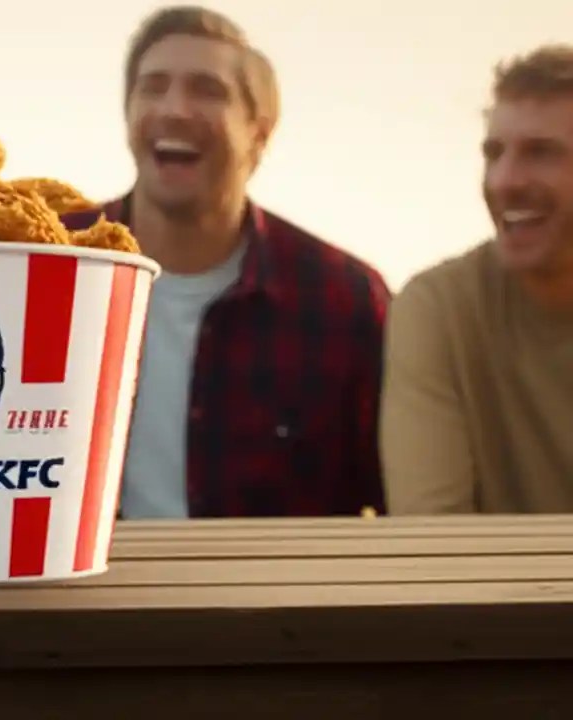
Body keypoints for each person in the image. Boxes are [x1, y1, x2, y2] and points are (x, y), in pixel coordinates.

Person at [62, 6, 390, 518]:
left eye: (207, 90)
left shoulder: (343, 299)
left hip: (275, 596)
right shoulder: (47, 264)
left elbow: (397, 503)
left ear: (259, 133)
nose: (174, 109)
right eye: (153, 86)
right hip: (78, 596)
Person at [380, 45, 573, 514]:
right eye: (494, 153)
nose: (504, 180)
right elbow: (433, 545)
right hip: (489, 590)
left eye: (540, 153)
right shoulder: (440, 309)